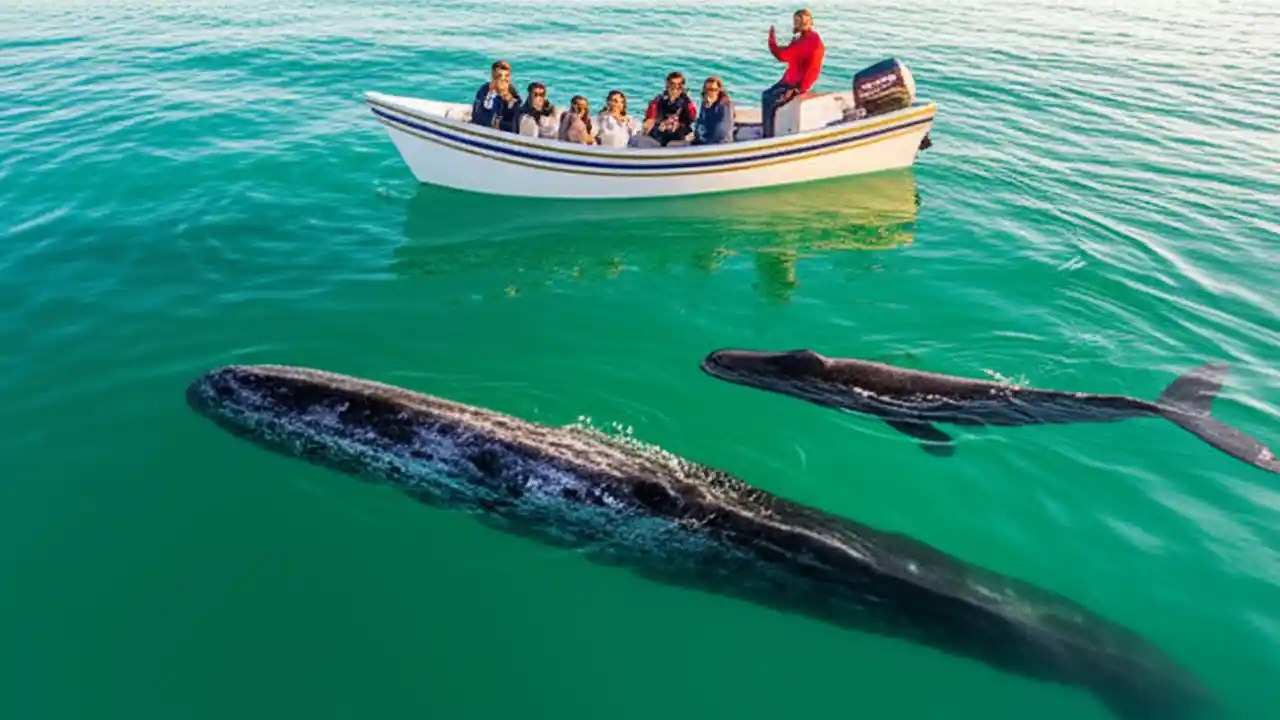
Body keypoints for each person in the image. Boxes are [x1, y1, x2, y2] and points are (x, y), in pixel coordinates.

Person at [761, 9, 824, 138]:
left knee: (768, 100)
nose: (793, 25)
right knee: (768, 95)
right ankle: (769, 130)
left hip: (794, 84)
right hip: (790, 80)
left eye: (796, 22)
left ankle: (768, 136)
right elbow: (792, 54)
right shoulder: (808, 38)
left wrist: (771, 40)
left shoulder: (808, 42)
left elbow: (782, 55)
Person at [641, 71, 697, 146]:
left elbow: (692, 118)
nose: (675, 89)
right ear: (667, 85)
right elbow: (650, 118)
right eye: (672, 85)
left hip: (679, 134)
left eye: (679, 86)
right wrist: (654, 123)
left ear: (683, 87)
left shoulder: (687, 102)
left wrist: (678, 124)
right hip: (661, 132)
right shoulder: (658, 100)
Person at [471, 60, 522, 132]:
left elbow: (514, 127)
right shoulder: (484, 90)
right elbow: (478, 115)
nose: (503, 79)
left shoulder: (512, 97)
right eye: (499, 76)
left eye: (507, 76)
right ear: (493, 77)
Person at [692, 76, 734, 145]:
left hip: (718, 145)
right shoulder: (705, 102)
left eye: (713, 89)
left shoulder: (725, 105)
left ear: (719, 90)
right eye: (706, 89)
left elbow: (722, 130)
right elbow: (700, 122)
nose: (709, 92)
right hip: (702, 141)